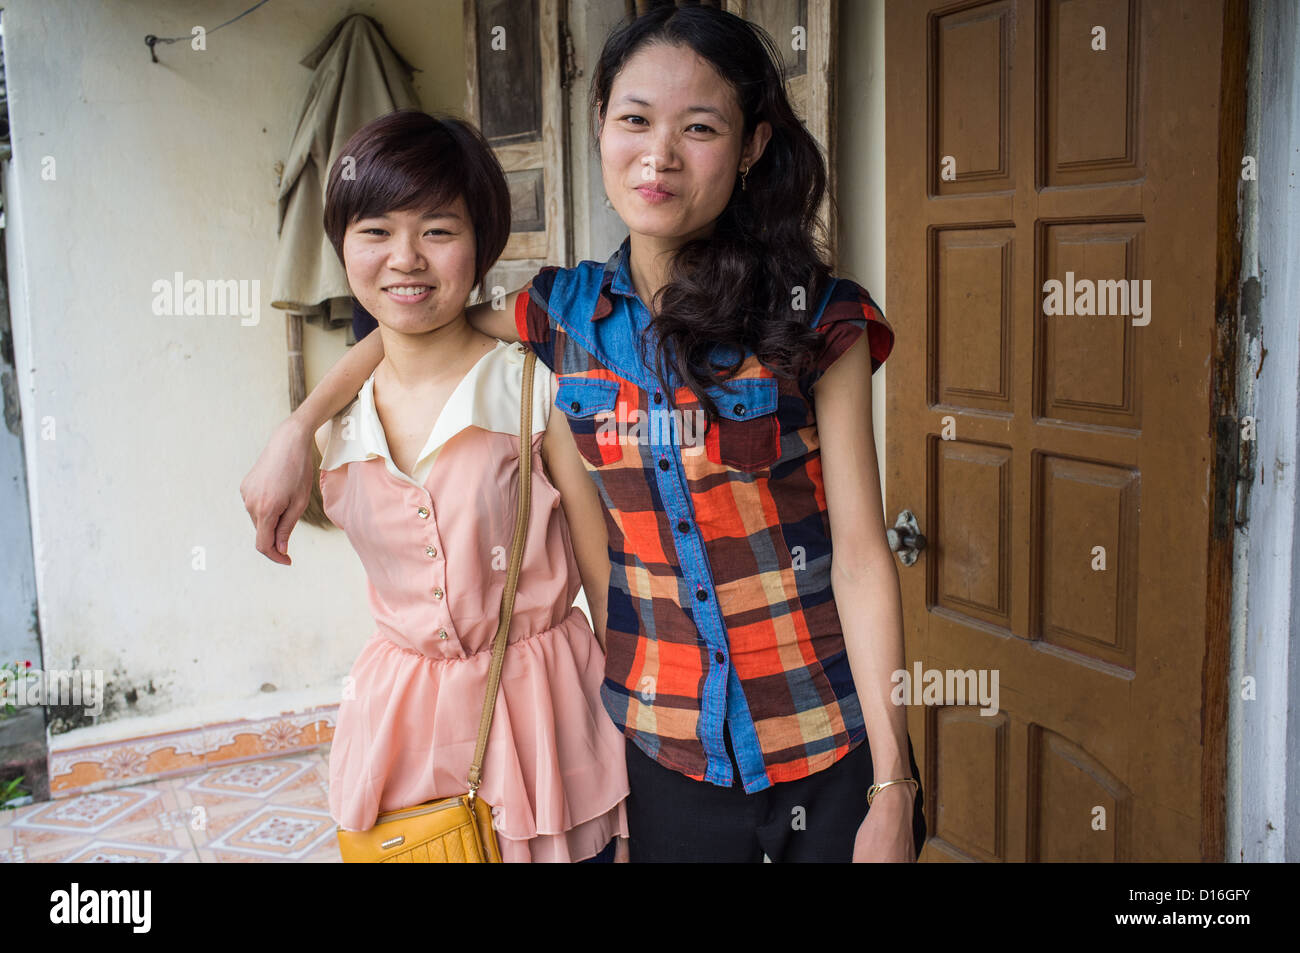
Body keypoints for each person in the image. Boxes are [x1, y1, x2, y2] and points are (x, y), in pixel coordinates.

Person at [243, 4, 924, 862]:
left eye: (700, 127)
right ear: (601, 126)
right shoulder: (563, 315)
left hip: (827, 746)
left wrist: (891, 786)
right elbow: (414, 312)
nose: (659, 154)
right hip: (663, 753)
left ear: (751, 147)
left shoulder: (820, 321)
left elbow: (862, 557)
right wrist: (300, 426)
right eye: (634, 119)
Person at [302, 109, 628, 862]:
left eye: (438, 230)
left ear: (480, 243)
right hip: (398, 726)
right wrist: (296, 427)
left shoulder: (533, 388)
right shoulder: (332, 420)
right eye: (375, 230)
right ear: (344, 243)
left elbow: (601, 570)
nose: (405, 258)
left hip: (546, 717)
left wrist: (635, 720)